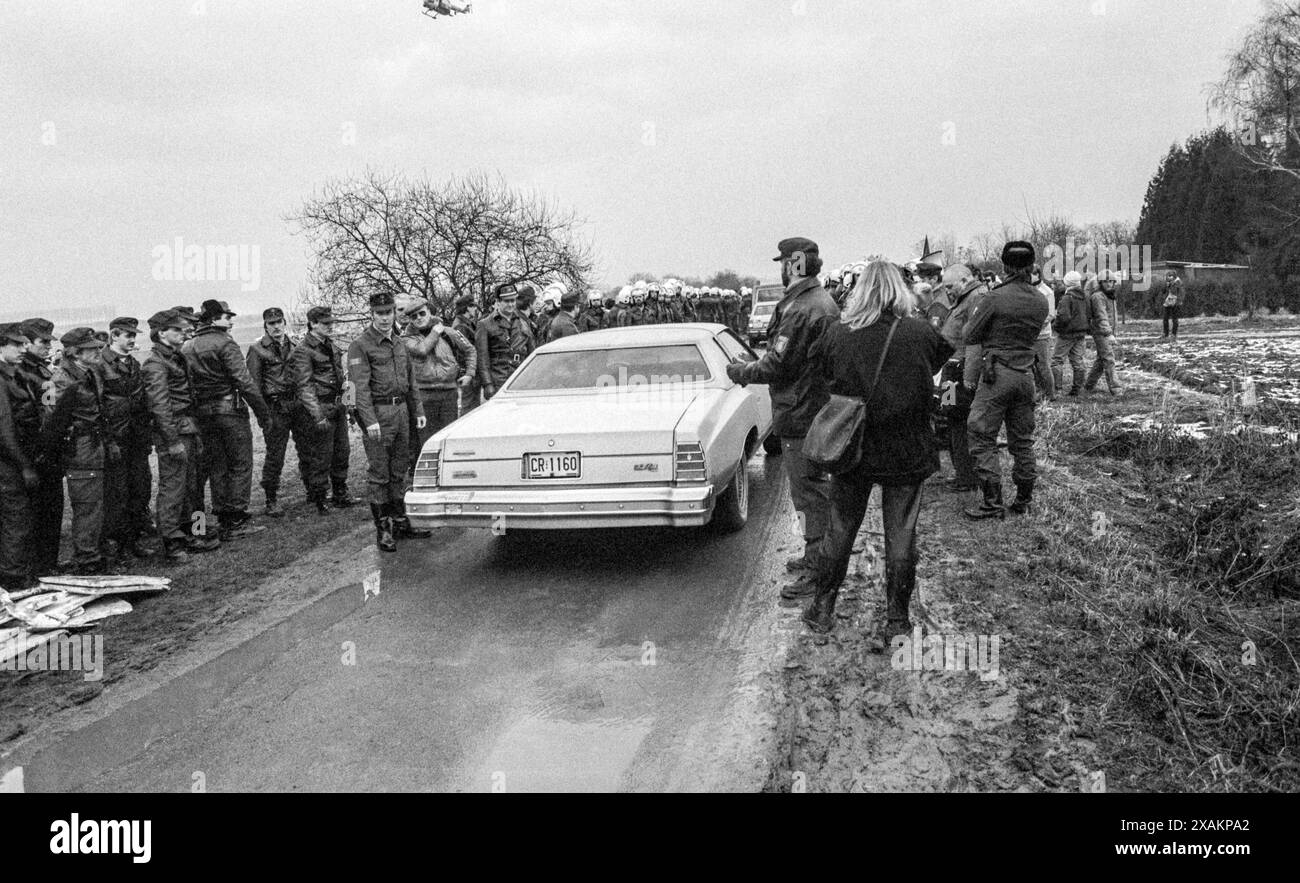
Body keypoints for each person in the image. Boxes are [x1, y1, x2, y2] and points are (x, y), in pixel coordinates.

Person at [802, 262, 953, 635]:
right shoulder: (920, 333)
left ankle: (822, 609)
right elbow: (939, 359)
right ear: (899, 291)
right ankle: (897, 621)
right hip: (906, 445)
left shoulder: (838, 334)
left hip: (852, 446)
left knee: (840, 528)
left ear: (860, 291)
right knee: (901, 534)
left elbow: (824, 371)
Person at [726, 237, 839, 603]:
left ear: (796, 263)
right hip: (812, 406)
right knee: (813, 491)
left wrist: (742, 370)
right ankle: (816, 556)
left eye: (784, 262)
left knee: (807, 495)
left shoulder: (802, 308)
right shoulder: (816, 301)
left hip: (800, 410)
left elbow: (778, 362)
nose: (780, 268)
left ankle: (817, 569)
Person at [962, 241, 1048, 520]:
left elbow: (970, 335)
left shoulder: (994, 298)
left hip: (996, 374)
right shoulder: (1040, 299)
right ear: (1033, 266)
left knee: (981, 433)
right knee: (1022, 441)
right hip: (1026, 376)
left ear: (1005, 266)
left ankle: (992, 501)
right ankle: (1023, 499)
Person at [348, 292, 430, 552]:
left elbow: (411, 380)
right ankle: (383, 530)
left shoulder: (398, 342)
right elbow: (359, 387)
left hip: (402, 411)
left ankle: (400, 522)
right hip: (379, 415)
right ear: (372, 314)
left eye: (389, 313)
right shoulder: (361, 345)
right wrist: (368, 420)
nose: (385, 318)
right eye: (380, 313)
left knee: (399, 469)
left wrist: (417, 409)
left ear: (395, 313)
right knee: (380, 474)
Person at [185, 299, 270, 540]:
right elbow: (244, 382)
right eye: (227, 317)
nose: (232, 321)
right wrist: (263, 414)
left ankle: (223, 516)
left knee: (218, 466)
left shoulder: (188, 345)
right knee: (240, 463)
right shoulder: (225, 343)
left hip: (203, 415)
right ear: (214, 319)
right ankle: (234, 519)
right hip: (229, 412)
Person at [142, 310, 221, 560]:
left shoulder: (175, 357)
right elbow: (160, 406)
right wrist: (172, 441)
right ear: (161, 333)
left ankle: (195, 531)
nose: (182, 333)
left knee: (193, 486)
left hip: (189, 426)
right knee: (173, 488)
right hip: (175, 431)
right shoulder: (156, 364)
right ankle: (172, 542)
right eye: (176, 330)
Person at [44, 328, 111, 573]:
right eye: (91, 348)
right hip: (79, 449)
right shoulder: (59, 380)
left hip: (94, 445)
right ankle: (87, 561)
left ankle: (93, 554)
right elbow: (51, 419)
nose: (98, 351)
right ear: (74, 353)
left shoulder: (90, 372)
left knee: (95, 504)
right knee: (86, 506)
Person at [98, 317, 155, 560]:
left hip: (136, 439)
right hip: (116, 441)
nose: (132, 340)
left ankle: (133, 542)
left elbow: (140, 402)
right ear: (114, 336)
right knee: (116, 496)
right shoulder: (100, 365)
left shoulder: (132, 363)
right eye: (127, 335)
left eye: (134, 335)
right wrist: (109, 441)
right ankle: (115, 549)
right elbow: (99, 407)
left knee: (139, 491)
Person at [289, 306, 355, 514]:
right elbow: (304, 386)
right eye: (325, 323)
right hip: (320, 407)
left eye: (331, 323)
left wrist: (347, 403)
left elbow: (342, 376)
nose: (330, 326)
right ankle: (320, 498)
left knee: (341, 452)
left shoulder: (331, 346)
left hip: (337, 405)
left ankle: (340, 493)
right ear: (313, 324)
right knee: (321, 456)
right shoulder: (303, 350)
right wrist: (317, 416)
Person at [246, 307, 309, 518]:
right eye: (271, 323)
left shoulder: (295, 346)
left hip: (297, 406)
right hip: (275, 408)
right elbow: (253, 387)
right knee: (275, 455)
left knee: (308, 450)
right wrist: (264, 416)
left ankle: (313, 491)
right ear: (265, 326)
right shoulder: (257, 350)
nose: (276, 326)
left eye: (279, 322)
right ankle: (271, 498)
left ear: (284, 323)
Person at [16, 318, 63, 575]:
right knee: (35, 511)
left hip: (49, 447)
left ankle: (48, 564)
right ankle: (35, 567)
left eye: (49, 342)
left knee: (52, 507)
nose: (47, 346)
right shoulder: (20, 372)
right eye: (43, 342)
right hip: (33, 449)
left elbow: (49, 406)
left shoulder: (42, 371)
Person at [400, 297, 476, 455]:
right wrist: (435, 332)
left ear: (429, 312)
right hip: (423, 394)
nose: (419, 318)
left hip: (449, 392)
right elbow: (422, 350)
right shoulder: (407, 338)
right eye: (414, 316)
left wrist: (469, 373)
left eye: (422, 313)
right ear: (410, 320)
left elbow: (470, 350)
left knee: (448, 436)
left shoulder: (448, 332)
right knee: (426, 439)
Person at [936, 264, 988, 492]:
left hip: (959, 372)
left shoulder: (976, 298)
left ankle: (967, 476)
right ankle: (961, 472)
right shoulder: (964, 298)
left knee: (958, 420)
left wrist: (969, 377)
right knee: (948, 415)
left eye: (950, 286)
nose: (947, 291)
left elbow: (974, 340)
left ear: (965, 280)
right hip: (950, 371)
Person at [0, 324, 40, 591]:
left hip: (14, 458)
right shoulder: (2, 380)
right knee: (16, 518)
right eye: (17, 344)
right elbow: (4, 429)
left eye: (25, 343)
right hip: (8, 462)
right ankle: (14, 579)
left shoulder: (15, 376)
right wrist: (24, 466)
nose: (24, 348)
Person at [475, 282, 535, 401]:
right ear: (497, 302)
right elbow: (482, 358)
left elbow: (531, 351)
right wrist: (487, 384)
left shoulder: (523, 322)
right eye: (506, 301)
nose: (511, 304)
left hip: (519, 379)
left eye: (513, 300)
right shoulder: (485, 324)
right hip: (499, 381)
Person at [1082, 271, 1122, 395]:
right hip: (1101, 331)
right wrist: (1109, 333)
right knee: (1109, 359)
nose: (1109, 284)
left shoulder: (1110, 295)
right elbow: (1101, 316)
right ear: (1100, 283)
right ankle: (1116, 389)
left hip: (1107, 331)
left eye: (1111, 281)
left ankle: (1088, 386)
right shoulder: (1098, 296)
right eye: (1106, 281)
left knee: (1101, 359)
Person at [1050, 271, 1089, 396]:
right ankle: (1078, 389)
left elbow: (1063, 317)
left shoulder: (1067, 298)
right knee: (1078, 361)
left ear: (1067, 283)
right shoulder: (1085, 297)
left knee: (1057, 361)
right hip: (1081, 333)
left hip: (1066, 334)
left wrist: (1055, 327)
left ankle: (1058, 390)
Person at [1030, 265, 1057, 402]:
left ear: (1038, 275)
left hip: (1042, 335)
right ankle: (1040, 391)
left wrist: (1035, 326)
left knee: (1043, 365)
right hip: (1029, 335)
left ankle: (1050, 394)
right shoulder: (1028, 290)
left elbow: (1050, 314)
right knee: (1032, 366)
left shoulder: (1047, 292)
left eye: (1032, 274)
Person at [1162, 270, 1183, 340]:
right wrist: (1167, 285)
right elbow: (1163, 291)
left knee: (1174, 319)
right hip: (1168, 301)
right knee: (1165, 318)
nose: (1169, 278)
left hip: (1176, 302)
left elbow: (1177, 292)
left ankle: (1174, 334)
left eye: (1170, 276)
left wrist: (1170, 285)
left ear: (1174, 276)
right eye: (1168, 276)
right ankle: (1165, 333)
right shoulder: (1169, 283)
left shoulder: (1178, 282)